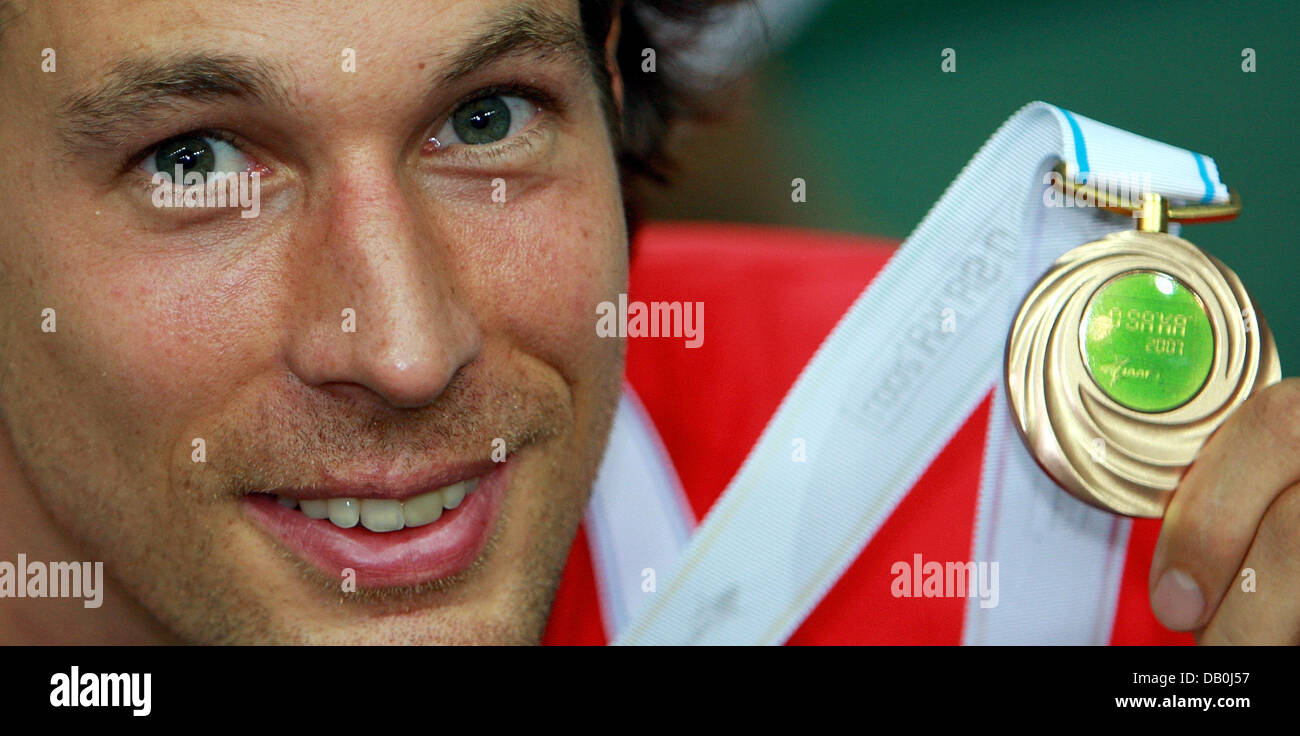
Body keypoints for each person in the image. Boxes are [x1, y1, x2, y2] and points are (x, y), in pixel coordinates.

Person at [0, 0, 1295, 645]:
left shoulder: (1061, 511)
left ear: (612, 84)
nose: (405, 346)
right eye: (195, 163)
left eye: (486, 118)